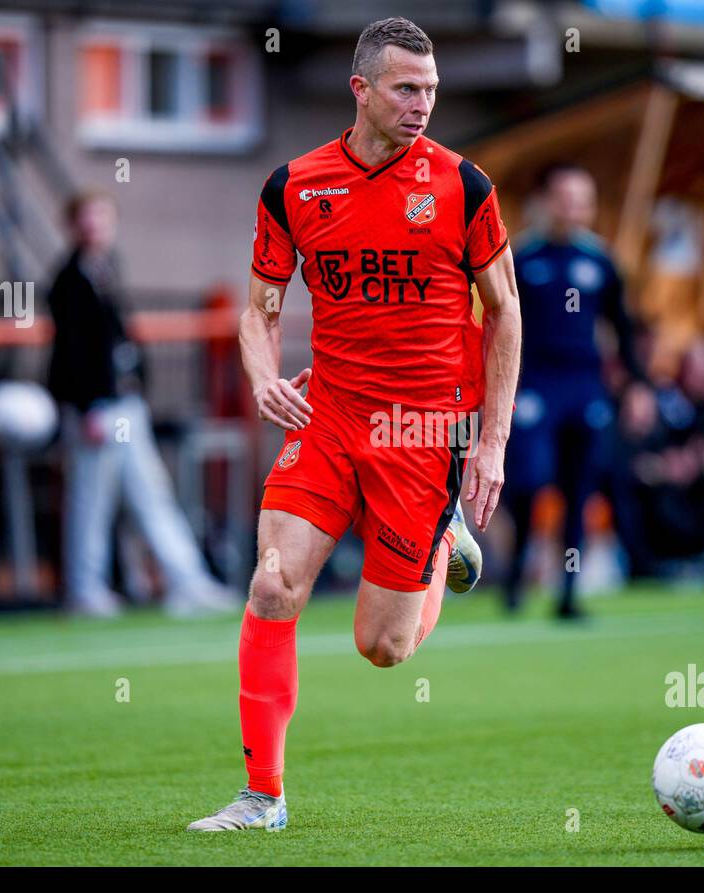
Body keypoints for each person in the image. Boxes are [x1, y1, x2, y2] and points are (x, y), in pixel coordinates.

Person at [187, 17, 520, 832]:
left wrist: (491, 441)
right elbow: (260, 310)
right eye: (407, 89)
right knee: (272, 581)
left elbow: (505, 311)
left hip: (424, 430)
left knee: (383, 647)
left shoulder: (463, 185)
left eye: (432, 90)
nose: (423, 105)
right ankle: (262, 797)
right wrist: (266, 379)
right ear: (361, 89)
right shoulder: (293, 186)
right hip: (330, 414)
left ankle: (442, 544)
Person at [46, 191, 236, 618]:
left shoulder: (106, 270)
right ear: (74, 226)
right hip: (98, 410)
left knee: (152, 495)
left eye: (103, 218)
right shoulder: (69, 281)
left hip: (124, 405)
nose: (96, 227)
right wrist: (89, 405)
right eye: (88, 218)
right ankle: (85, 589)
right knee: (90, 501)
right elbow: (72, 354)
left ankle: (186, 579)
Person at [502, 163, 647, 618]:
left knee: (579, 488)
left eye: (582, 200)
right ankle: (518, 571)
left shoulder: (601, 260)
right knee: (526, 480)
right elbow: (497, 327)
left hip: (585, 385)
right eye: (565, 198)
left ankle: (567, 593)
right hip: (534, 385)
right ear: (546, 201)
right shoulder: (522, 258)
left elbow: (623, 329)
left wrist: (638, 386)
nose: (574, 209)